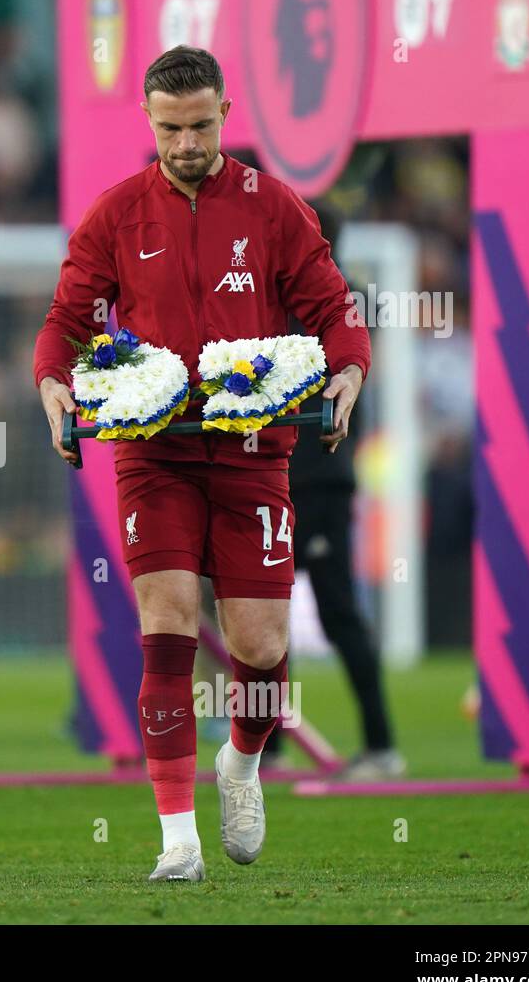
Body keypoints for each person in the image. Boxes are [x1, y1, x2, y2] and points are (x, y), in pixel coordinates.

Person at [34, 46, 370, 883]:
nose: (185, 143)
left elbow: (334, 308)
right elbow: (65, 319)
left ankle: (243, 764)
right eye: (170, 127)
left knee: (260, 649)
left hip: (256, 454)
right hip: (156, 455)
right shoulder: (116, 213)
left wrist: (350, 369)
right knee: (168, 626)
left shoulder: (273, 206)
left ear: (225, 116)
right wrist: (51, 385)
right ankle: (177, 837)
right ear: (150, 121)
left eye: (200, 125)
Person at [268, 202, 404, 780]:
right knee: (268, 609)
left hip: (315, 479)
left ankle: (381, 747)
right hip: (292, 477)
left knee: (335, 610)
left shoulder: (328, 301)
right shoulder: (326, 297)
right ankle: (267, 747)